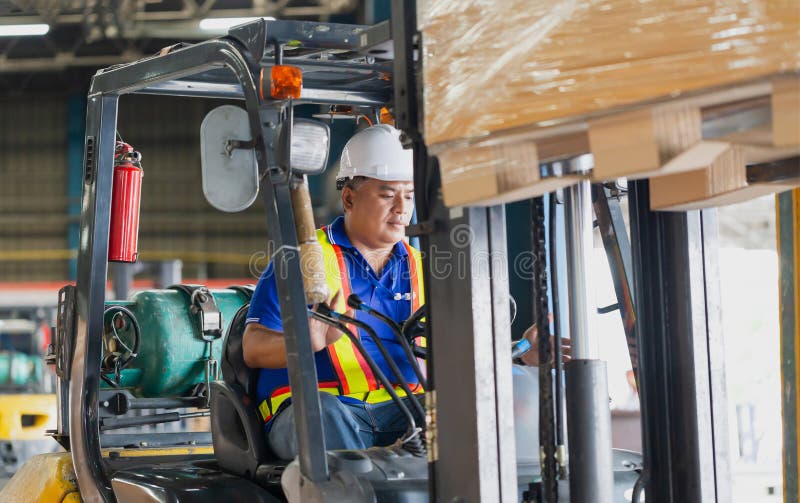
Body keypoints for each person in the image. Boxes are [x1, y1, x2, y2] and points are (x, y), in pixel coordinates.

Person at [242, 124, 425, 459]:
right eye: (388, 195)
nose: (402, 208)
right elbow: (252, 349)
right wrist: (304, 342)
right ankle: (356, 483)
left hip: (400, 412)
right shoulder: (301, 261)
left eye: (409, 196)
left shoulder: (422, 267)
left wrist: (516, 352)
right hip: (316, 412)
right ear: (349, 198)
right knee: (323, 412)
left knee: (460, 406)